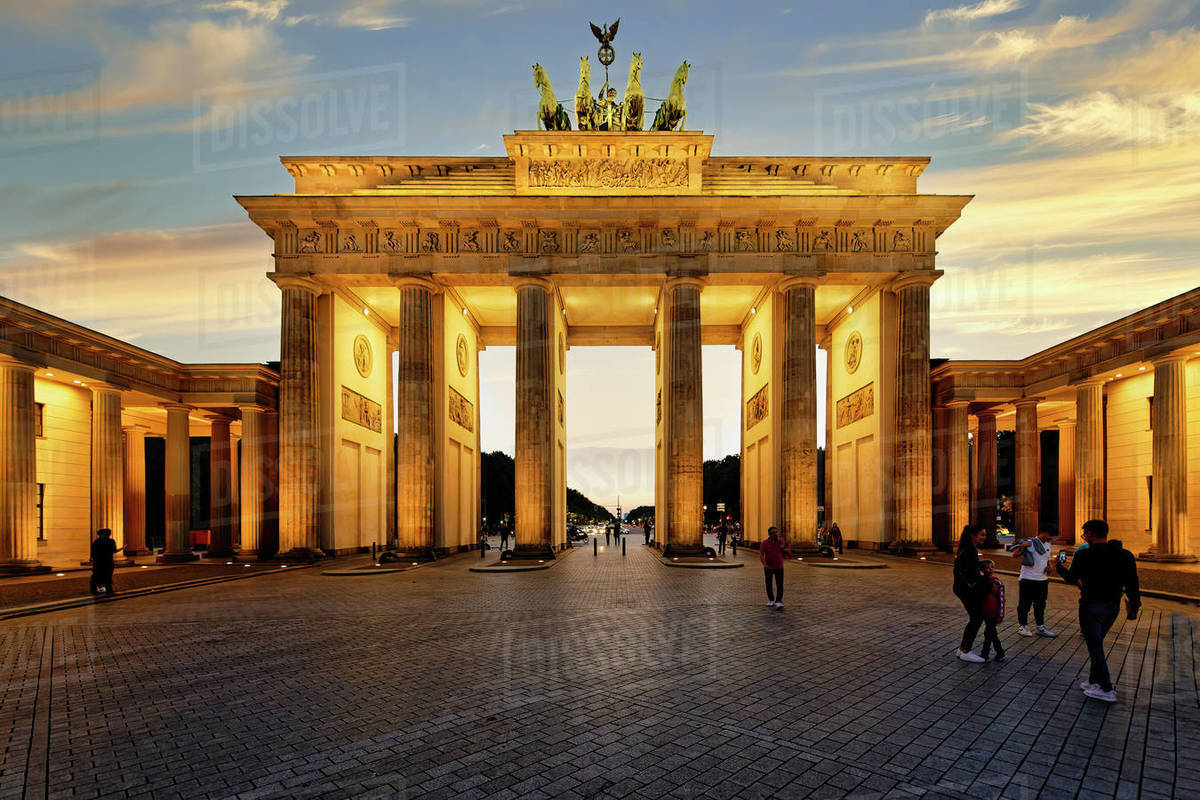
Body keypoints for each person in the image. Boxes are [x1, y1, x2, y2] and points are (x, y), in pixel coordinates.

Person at [1056, 519, 1140, 703]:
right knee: (1097, 644)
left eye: (1084, 533)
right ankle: (1094, 681)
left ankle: (1106, 688)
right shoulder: (1125, 554)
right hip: (1112, 607)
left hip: (1091, 606)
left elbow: (1071, 577)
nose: (1083, 537)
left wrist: (1058, 567)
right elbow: (1133, 583)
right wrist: (1134, 606)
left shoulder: (1084, 554)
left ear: (1090, 534)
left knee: (1095, 648)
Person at [1011, 522, 1058, 638]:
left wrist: (1050, 567)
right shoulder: (1030, 542)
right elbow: (1014, 555)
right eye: (1050, 535)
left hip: (1042, 579)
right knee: (1024, 604)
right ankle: (1022, 626)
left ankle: (1040, 627)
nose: (1051, 538)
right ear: (1043, 532)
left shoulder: (1048, 544)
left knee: (1040, 604)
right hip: (1028, 578)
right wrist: (1023, 546)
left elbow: (1046, 560)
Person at [953, 523, 988, 662]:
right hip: (966, 589)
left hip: (962, 588)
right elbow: (971, 574)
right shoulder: (970, 551)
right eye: (982, 535)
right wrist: (987, 583)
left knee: (975, 617)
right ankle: (965, 651)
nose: (984, 537)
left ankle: (962, 649)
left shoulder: (967, 548)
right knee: (977, 618)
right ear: (973, 536)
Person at [978, 560, 1007, 662]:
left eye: (992, 567)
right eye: (987, 567)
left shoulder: (996, 582)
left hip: (993, 612)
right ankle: (997, 653)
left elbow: (1002, 599)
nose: (990, 569)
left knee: (989, 632)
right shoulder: (981, 581)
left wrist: (1000, 614)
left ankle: (987, 653)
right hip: (985, 612)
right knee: (990, 633)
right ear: (982, 569)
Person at [759, 526, 791, 608]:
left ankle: (779, 600)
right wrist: (765, 564)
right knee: (768, 584)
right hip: (768, 567)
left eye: (776, 532)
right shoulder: (765, 543)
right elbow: (761, 555)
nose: (775, 534)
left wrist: (782, 546)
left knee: (779, 584)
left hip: (779, 566)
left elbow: (788, 551)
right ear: (769, 534)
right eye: (773, 533)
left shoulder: (781, 541)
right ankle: (771, 600)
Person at [90, 528, 118, 596]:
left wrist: (93, 559)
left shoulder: (96, 541)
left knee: (96, 576)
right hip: (108, 561)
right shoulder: (111, 541)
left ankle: (94, 590)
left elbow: (93, 552)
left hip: (98, 562)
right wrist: (122, 548)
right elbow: (114, 550)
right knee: (108, 576)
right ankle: (109, 591)